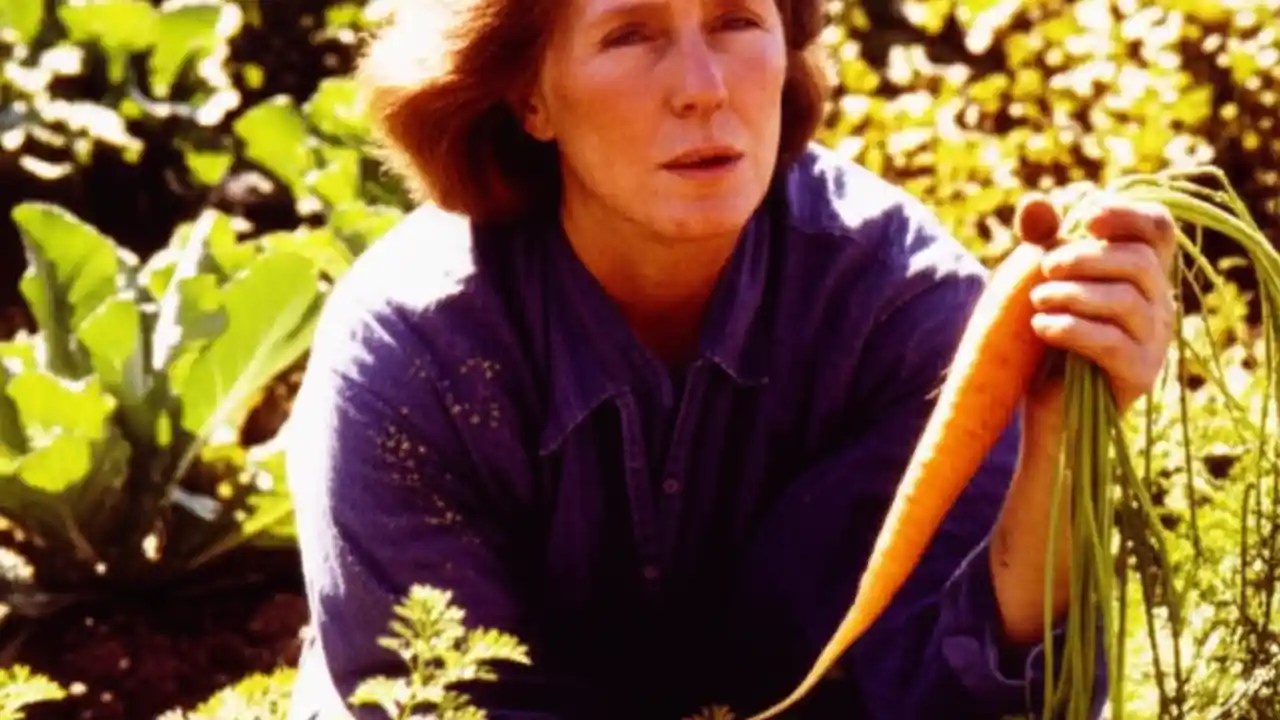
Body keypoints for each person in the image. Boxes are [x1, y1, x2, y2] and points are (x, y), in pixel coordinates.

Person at [284, 0, 1178, 718]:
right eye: (632, 34)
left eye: (737, 22)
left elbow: (965, 695)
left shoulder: (894, 306)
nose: (704, 88)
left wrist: (1054, 442)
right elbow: (433, 703)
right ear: (530, 97)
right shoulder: (413, 353)